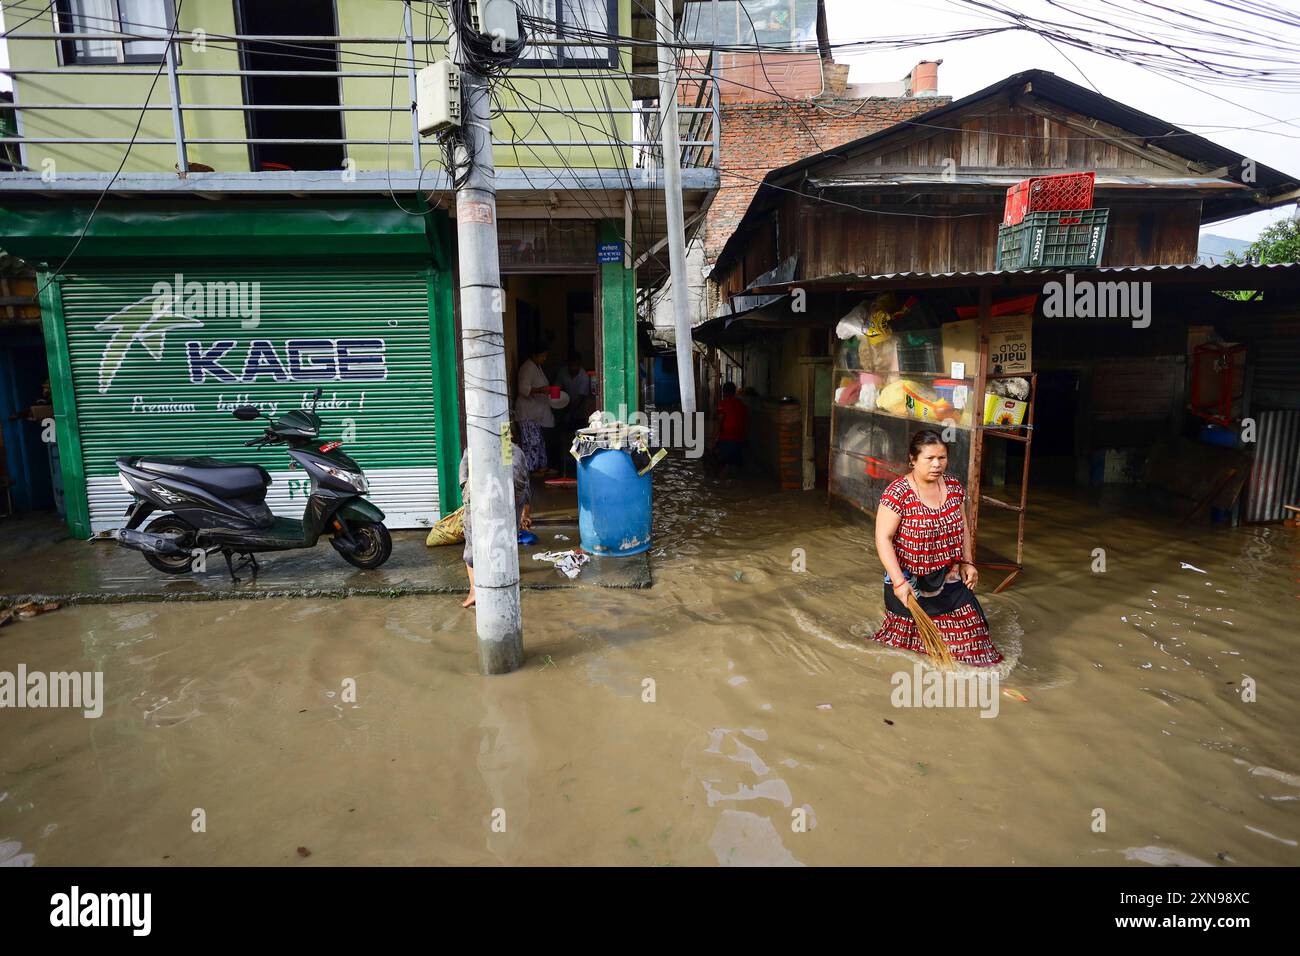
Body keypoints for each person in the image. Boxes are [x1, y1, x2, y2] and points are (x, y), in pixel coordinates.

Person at [871, 429, 1002, 666]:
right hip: (910, 583)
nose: (936, 464)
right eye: (929, 458)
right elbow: (883, 538)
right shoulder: (897, 493)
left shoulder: (953, 488)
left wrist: (968, 561)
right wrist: (899, 583)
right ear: (912, 459)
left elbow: (962, 527)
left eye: (942, 458)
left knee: (976, 642)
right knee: (915, 648)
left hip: (947, 577)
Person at [460, 421, 532, 608]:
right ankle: (503, 575)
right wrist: (525, 511)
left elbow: (463, 480)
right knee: (505, 537)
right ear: (511, 436)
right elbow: (525, 486)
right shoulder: (516, 453)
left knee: (473, 542)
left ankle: (475, 589)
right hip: (506, 501)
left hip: (483, 499)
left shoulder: (474, 450)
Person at [515, 343, 555, 477]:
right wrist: (540, 390)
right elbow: (522, 389)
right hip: (526, 413)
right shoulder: (527, 368)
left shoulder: (536, 367)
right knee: (531, 442)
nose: (544, 358)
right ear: (534, 355)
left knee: (538, 441)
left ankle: (541, 468)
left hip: (534, 413)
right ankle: (531, 470)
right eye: (543, 356)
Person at [712, 381, 748, 476]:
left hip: (726, 438)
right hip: (739, 438)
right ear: (734, 391)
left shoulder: (722, 404)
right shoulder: (741, 405)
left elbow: (720, 421)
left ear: (724, 392)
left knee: (724, 465)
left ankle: (725, 488)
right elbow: (744, 421)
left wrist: (715, 437)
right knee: (736, 466)